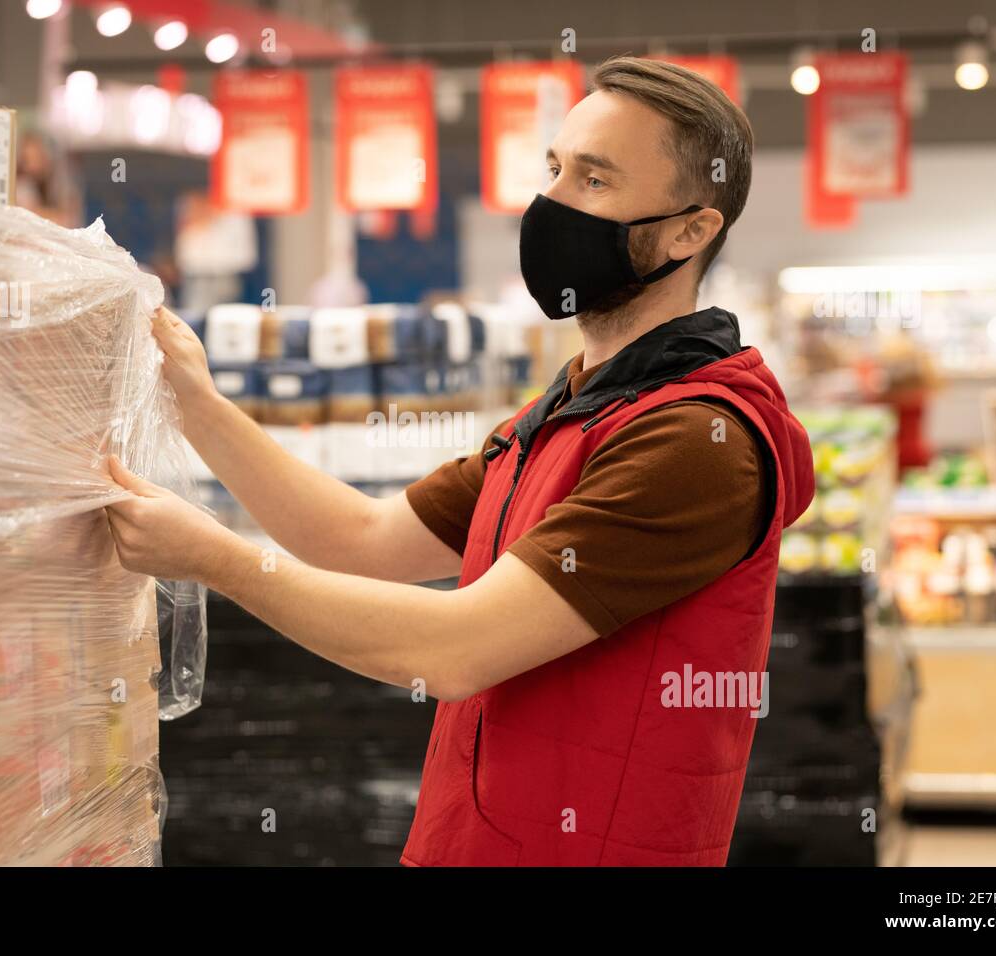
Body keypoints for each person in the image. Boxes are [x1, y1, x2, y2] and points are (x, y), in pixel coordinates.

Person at [103, 56, 815, 866]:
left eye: (594, 180)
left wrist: (211, 557)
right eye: (554, 169)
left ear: (692, 230)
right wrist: (198, 406)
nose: (552, 203)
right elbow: (365, 538)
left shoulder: (693, 444)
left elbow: (453, 650)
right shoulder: (569, 414)